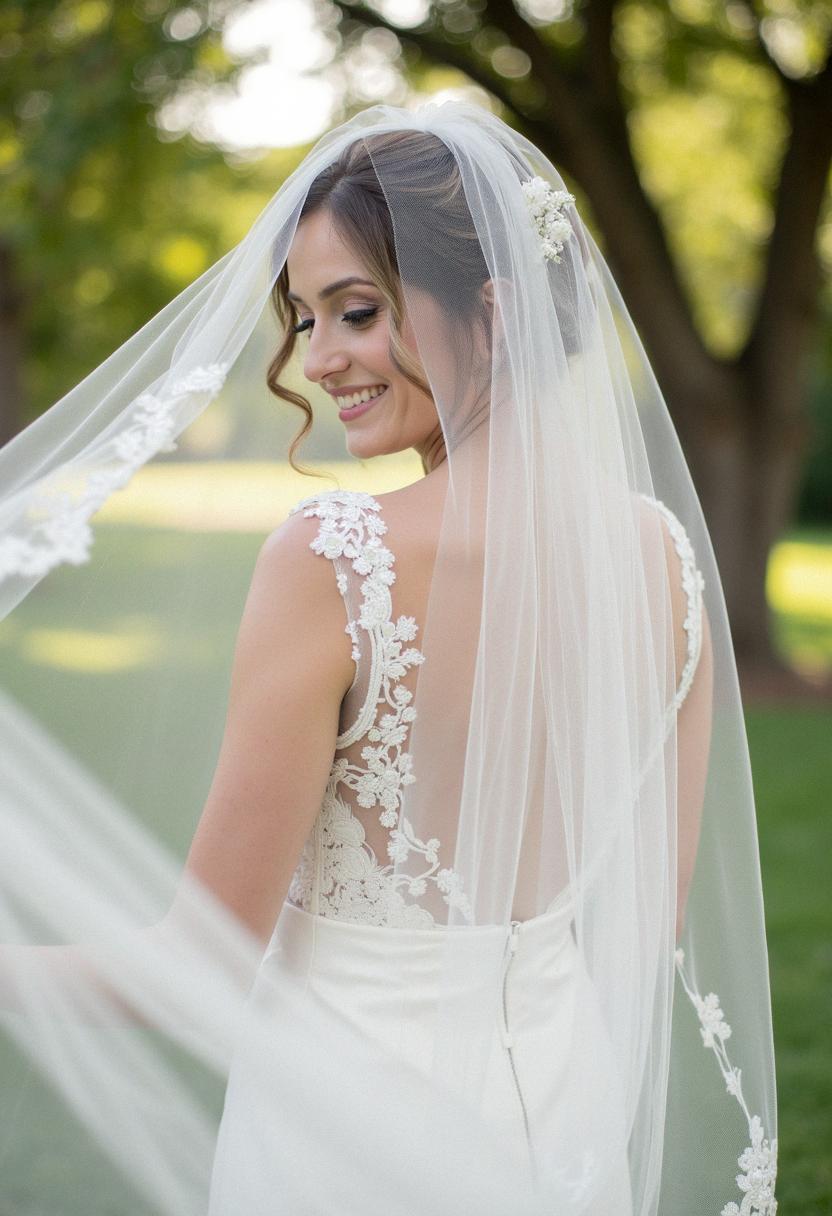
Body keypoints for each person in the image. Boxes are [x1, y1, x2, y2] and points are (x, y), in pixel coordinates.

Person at [0, 101, 777, 1216]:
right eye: (304, 319)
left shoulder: (331, 560)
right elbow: (642, 933)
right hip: (564, 1133)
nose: (318, 360)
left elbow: (201, 963)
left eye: (355, 311)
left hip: (341, 1141)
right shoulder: (662, 562)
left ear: (494, 312)